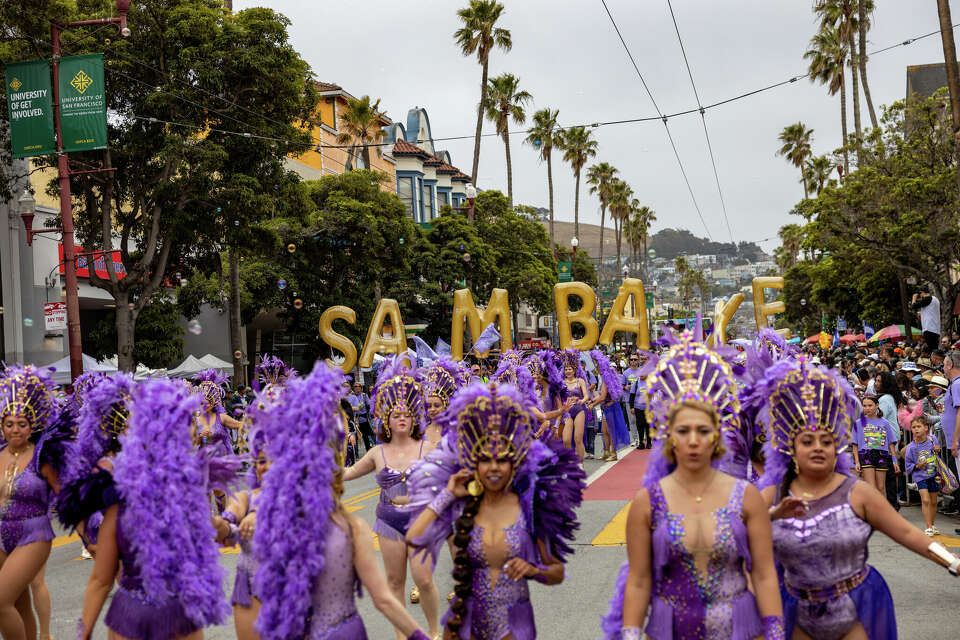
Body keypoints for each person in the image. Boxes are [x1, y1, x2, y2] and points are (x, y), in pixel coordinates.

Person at [602, 332, 785, 640]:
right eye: (683, 430)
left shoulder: (747, 498)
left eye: (703, 430)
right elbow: (638, 579)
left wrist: (775, 632)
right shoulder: (648, 502)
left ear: (717, 435)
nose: (693, 440)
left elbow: (764, 574)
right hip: (670, 629)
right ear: (668, 436)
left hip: (738, 628)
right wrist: (631, 635)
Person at [761, 358, 960, 640]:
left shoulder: (858, 492)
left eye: (827, 441)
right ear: (790, 446)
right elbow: (729, 535)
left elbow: (908, 533)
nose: (818, 448)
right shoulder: (774, 494)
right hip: (796, 611)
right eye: (807, 441)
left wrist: (953, 562)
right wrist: (769, 516)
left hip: (855, 608)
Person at [249, 362, 430, 640]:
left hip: (345, 632)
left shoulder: (352, 527)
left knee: (419, 580)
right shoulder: (272, 519)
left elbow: (383, 599)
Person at [406, 382, 586, 640]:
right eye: (485, 460)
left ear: (513, 464)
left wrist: (533, 570)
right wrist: (446, 495)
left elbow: (556, 572)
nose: (493, 468)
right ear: (474, 464)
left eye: (501, 460)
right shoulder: (464, 505)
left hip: (514, 625)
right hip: (466, 622)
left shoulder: (528, 506)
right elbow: (413, 537)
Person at [75, 377, 238, 640]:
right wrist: (230, 527)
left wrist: (82, 634)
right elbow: (213, 527)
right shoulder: (184, 498)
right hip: (172, 615)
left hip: (133, 615)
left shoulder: (121, 501)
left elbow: (100, 580)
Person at [344, 360, 439, 639]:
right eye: (395, 414)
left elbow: (447, 479)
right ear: (386, 419)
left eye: (407, 415)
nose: (401, 418)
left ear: (414, 419)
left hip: (421, 521)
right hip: (388, 523)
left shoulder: (427, 447)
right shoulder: (377, 453)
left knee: (423, 579)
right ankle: (402, 635)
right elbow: (348, 473)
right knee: (395, 582)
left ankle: (434, 632)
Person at [0, 366, 69, 640]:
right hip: (2, 533)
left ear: (32, 426)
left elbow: (68, 497)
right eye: (9, 424)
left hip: (34, 533)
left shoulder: (43, 457)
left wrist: (91, 533)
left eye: (22, 424)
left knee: (1, 601)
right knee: (17, 602)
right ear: (1, 425)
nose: (15, 430)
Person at [589, 350, 631, 462]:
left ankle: (614, 453)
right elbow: (602, 397)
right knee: (605, 431)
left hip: (611, 407)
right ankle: (606, 451)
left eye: (596, 364)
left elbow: (602, 397)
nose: (596, 367)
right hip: (607, 407)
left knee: (611, 432)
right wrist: (592, 401)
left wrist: (592, 404)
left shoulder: (606, 379)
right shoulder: (606, 377)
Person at [852, 396, 899, 496]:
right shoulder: (858, 423)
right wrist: (856, 462)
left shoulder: (885, 422)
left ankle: (882, 511)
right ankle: (872, 511)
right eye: (864, 406)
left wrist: (895, 461)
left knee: (881, 487)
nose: (867, 408)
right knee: (871, 487)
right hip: (865, 455)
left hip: (882, 455)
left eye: (870, 405)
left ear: (877, 405)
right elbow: (855, 444)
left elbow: (891, 443)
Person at [904, 416, 942, 536]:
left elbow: (937, 452)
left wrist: (937, 449)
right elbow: (908, 465)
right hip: (920, 476)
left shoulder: (933, 439)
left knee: (934, 502)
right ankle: (928, 527)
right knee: (925, 500)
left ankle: (932, 524)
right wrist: (917, 466)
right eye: (914, 427)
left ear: (926, 428)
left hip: (933, 474)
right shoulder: (911, 448)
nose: (916, 429)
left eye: (918, 426)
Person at [420, 358, 467, 446]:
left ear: (445, 406)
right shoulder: (421, 430)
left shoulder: (454, 430)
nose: (432, 409)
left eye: (437, 405)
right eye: (429, 406)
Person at [560, 350, 590, 461]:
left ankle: (580, 463)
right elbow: (558, 397)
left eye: (569, 369)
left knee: (578, 439)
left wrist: (583, 400)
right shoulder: (561, 382)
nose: (567, 371)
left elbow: (586, 395)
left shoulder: (580, 381)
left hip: (579, 410)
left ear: (574, 370)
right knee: (566, 440)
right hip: (567, 411)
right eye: (566, 369)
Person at [941, 351, 960, 515]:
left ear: (950, 365)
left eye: (944, 364)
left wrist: (955, 441)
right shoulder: (954, 384)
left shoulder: (957, 384)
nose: (943, 369)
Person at [621, 353, 650, 449]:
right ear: (629, 361)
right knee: (632, 421)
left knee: (643, 422)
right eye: (631, 359)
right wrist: (626, 387)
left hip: (644, 403)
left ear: (638, 361)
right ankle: (635, 439)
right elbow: (621, 386)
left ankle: (645, 439)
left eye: (635, 359)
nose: (633, 361)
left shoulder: (642, 371)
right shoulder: (625, 373)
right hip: (629, 400)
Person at [347, 381, 376, 450]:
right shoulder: (351, 396)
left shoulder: (364, 395)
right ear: (353, 388)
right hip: (354, 420)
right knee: (355, 437)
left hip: (364, 420)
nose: (357, 388)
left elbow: (370, 405)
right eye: (355, 386)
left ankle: (368, 450)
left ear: (361, 388)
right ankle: (355, 454)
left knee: (366, 436)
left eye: (359, 386)